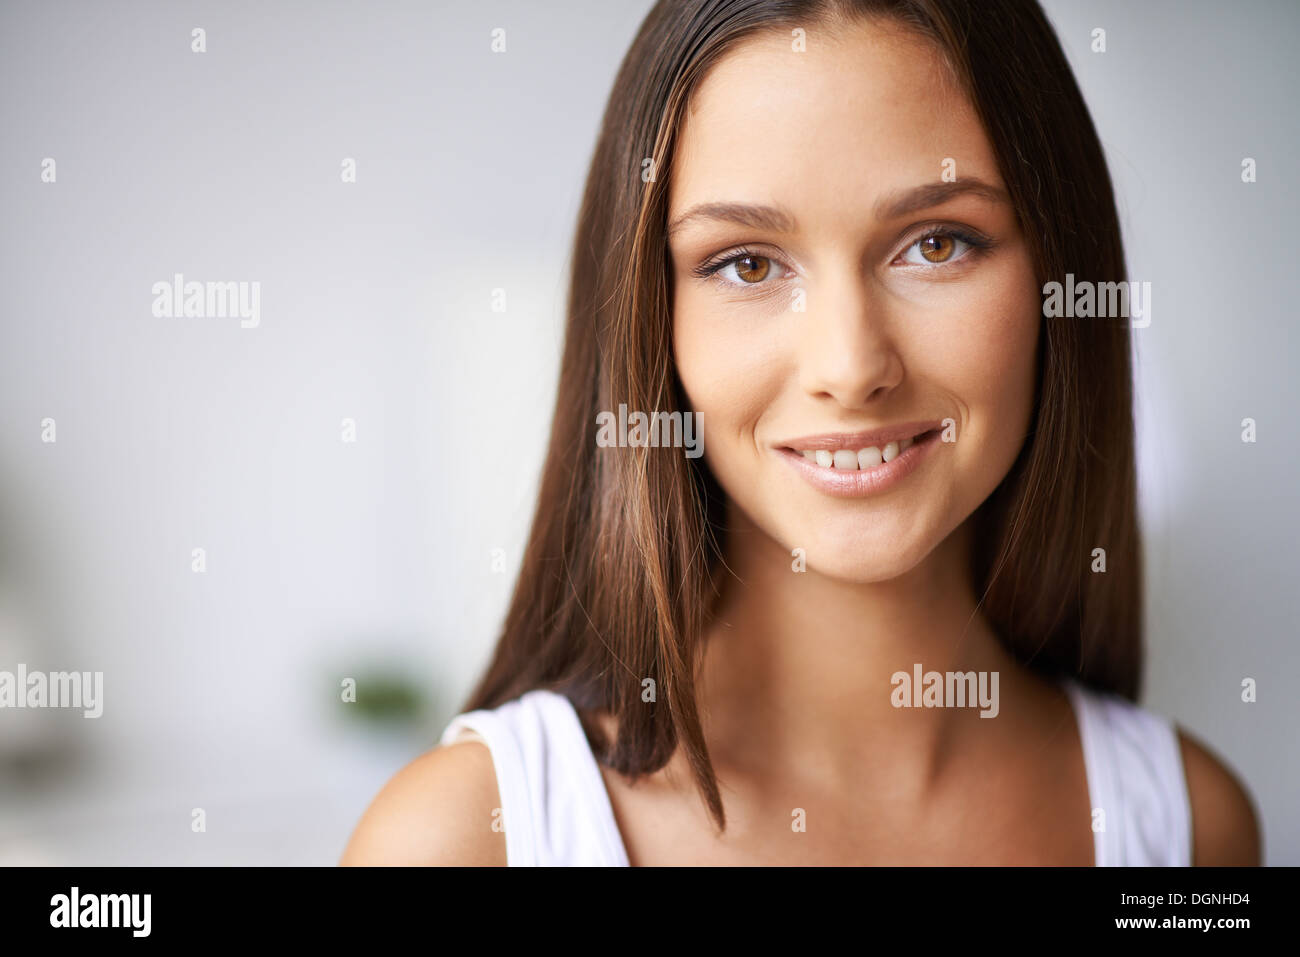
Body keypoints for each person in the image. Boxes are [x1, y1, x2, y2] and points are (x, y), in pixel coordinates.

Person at [342, 0, 1260, 866]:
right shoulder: (466, 840)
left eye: (936, 242)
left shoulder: (1185, 826)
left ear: (1061, 274)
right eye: (746, 263)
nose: (851, 364)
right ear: (650, 319)